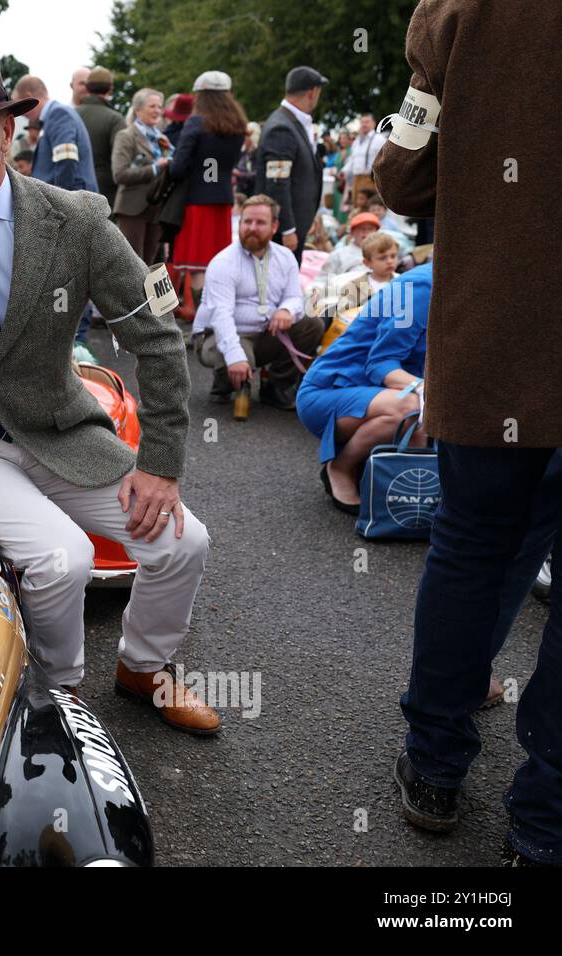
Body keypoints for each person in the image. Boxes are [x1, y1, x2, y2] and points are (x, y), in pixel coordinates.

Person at [0, 35, 216, 731]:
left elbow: (158, 334)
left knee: (184, 542)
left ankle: (143, 667)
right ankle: (57, 697)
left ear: (8, 130)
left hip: (64, 429)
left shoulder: (81, 221)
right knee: (62, 560)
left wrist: (160, 464)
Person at [373, 0, 562, 866]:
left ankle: (438, 767)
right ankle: (547, 814)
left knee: (472, 544)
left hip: (494, 339)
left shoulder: (457, 9)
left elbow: (403, 177)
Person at [296, 262, 431, 513]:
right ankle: (341, 466)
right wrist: (424, 389)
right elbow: (381, 364)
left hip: (380, 395)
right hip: (329, 392)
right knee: (411, 409)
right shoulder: (420, 288)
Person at [193, 195, 321, 413]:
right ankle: (224, 381)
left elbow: (295, 297)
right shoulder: (223, 262)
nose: (252, 228)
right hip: (218, 334)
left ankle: (275, 388)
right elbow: (220, 316)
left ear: (275, 226)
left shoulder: (286, 257)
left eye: (260, 223)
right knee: (242, 355)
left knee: (312, 325)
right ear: (240, 223)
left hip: (263, 332)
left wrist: (286, 310)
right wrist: (235, 358)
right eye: (247, 222)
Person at [168, 71, 247, 301]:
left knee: (198, 266)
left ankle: (203, 318)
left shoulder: (196, 123)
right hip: (223, 199)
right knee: (218, 262)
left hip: (197, 200)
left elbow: (178, 168)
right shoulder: (237, 126)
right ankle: (218, 315)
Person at [254, 65, 328, 262]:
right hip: (283, 230)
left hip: (294, 223)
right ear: (313, 92)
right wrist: (288, 228)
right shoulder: (282, 128)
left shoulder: (292, 122)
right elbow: (277, 183)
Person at [110, 87, 171, 265]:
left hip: (157, 207)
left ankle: (146, 295)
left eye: (159, 107)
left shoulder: (162, 139)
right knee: (132, 264)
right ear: (137, 110)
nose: (157, 111)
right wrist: (154, 169)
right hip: (132, 207)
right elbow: (119, 174)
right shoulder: (126, 136)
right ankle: (131, 294)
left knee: (151, 264)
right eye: (152, 106)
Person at [12, 74, 97, 192]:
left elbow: (66, 162)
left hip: (71, 202)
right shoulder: (53, 116)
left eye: (22, 109)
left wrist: (59, 202)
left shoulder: (58, 114)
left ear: (28, 97)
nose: (24, 115)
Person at [75, 66, 125, 208]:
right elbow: (121, 159)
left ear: (88, 87)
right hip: (105, 193)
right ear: (110, 89)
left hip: (72, 189)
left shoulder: (71, 115)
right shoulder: (115, 119)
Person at [321, 211, 380, 278]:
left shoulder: (385, 254)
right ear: (352, 233)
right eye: (362, 229)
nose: (366, 232)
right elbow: (324, 279)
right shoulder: (338, 255)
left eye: (370, 229)